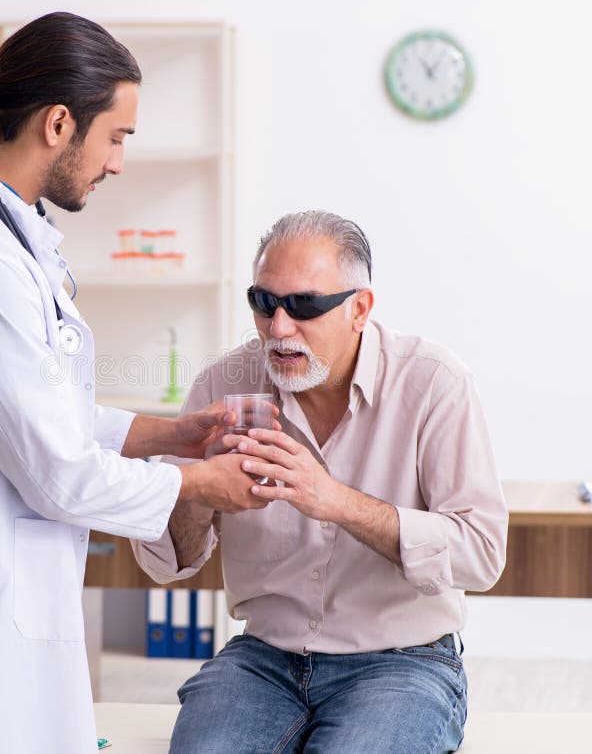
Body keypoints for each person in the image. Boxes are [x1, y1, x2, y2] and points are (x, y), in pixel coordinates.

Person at [0, 12, 266, 754]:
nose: (120, 162)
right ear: (60, 123)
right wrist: (201, 483)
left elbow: (20, 406)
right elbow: (59, 474)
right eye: (118, 137)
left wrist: (167, 434)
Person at [132, 210, 509, 754]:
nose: (279, 329)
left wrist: (335, 502)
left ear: (360, 308)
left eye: (304, 306)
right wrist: (197, 488)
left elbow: (482, 554)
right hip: (263, 657)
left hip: (402, 661)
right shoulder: (226, 381)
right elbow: (166, 561)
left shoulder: (435, 384)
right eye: (264, 303)